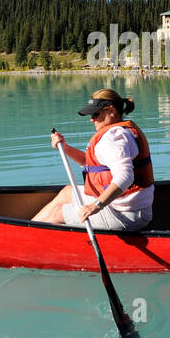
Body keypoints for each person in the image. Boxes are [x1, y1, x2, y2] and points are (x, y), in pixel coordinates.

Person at [31, 88, 154, 231]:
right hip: (127, 207)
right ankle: (24, 232)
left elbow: (125, 177)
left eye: (96, 114)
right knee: (67, 192)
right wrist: (65, 148)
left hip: (126, 216)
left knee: (56, 213)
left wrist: (96, 205)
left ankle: (23, 238)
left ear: (111, 111)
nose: (91, 119)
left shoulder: (114, 138)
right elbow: (91, 163)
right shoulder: (120, 132)